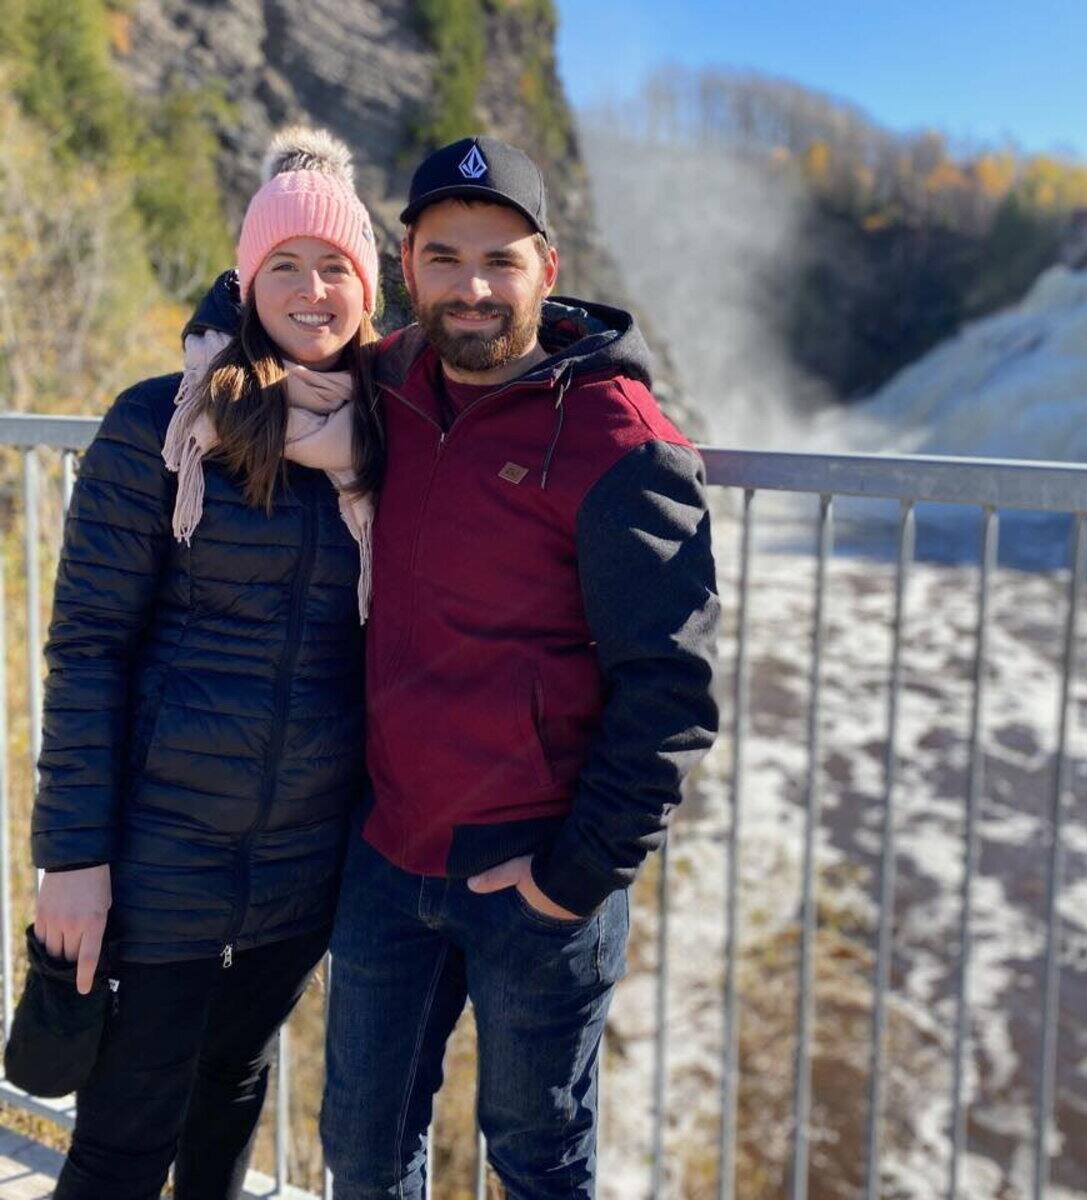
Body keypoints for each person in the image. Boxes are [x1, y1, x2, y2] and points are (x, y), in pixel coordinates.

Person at [321, 135, 721, 1200]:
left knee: (536, 1165)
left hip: (534, 877)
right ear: (408, 267)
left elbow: (672, 694)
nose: (473, 287)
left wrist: (573, 878)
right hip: (388, 852)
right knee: (362, 1153)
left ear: (549, 265)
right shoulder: (392, 378)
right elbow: (284, 313)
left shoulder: (621, 440)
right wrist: (217, 318)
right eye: (445, 258)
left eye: (501, 259)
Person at [30, 127, 382, 1200]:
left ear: (370, 287)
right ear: (244, 278)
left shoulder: (391, 441)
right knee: (126, 1134)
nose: (313, 289)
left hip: (301, 870)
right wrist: (72, 860)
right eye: (285, 264)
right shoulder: (162, 427)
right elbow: (88, 648)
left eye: (337, 267)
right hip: (159, 859)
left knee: (231, 1091)